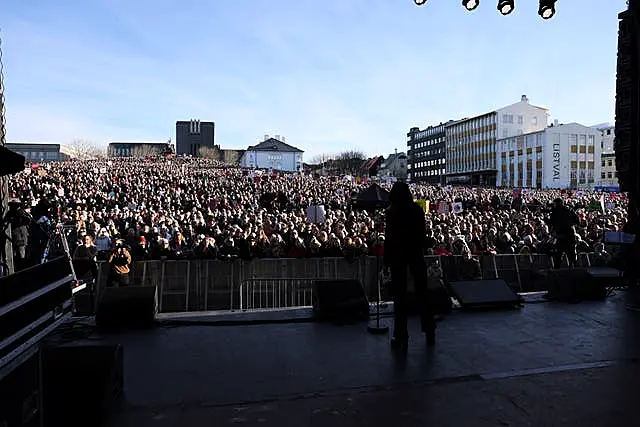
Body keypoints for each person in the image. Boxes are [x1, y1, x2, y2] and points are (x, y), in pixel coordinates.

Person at [383, 182, 436, 352]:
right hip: (415, 255)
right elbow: (422, 234)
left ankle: (401, 336)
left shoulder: (392, 212)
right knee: (423, 294)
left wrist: (386, 261)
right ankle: (429, 330)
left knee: (400, 298)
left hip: (398, 257)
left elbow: (389, 239)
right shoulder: (417, 210)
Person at [547, 198, 579, 268]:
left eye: (554, 204)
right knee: (572, 254)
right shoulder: (569, 210)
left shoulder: (555, 212)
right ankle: (575, 269)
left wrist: (546, 218)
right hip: (570, 234)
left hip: (561, 235)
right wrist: (570, 224)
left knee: (559, 254)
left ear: (557, 203)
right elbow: (577, 220)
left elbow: (550, 223)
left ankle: (556, 271)